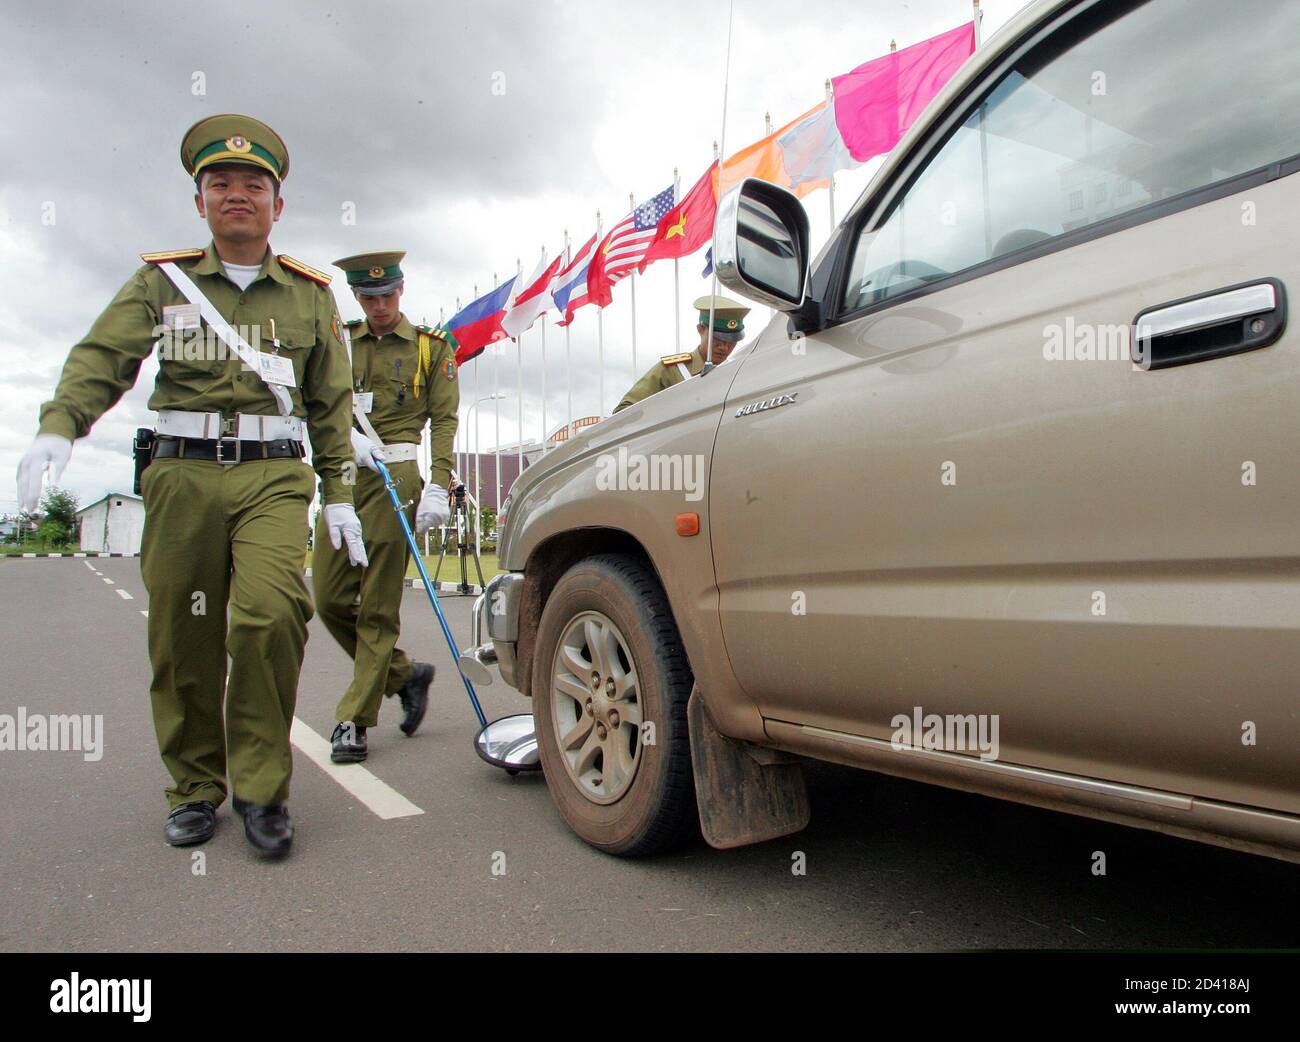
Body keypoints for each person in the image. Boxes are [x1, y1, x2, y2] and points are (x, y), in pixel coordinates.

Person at [14, 114, 365, 858]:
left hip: (272, 476)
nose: (237, 193)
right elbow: (104, 356)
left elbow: (331, 403)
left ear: (278, 203)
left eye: (254, 184)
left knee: (271, 615)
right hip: (180, 475)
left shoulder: (310, 295)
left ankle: (263, 789)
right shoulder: (161, 282)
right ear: (199, 200)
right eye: (220, 183)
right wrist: (60, 424)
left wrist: (338, 492)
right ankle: (195, 788)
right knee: (184, 636)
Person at [316, 251, 459, 764]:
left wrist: (438, 484)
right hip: (343, 471)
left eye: (388, 295)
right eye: (369, 297)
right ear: (356, 297)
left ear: (402, 290)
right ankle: (404, 674)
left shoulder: (431, 349)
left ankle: (353, 719)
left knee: (377, 603)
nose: (379, 305)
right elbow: (317, 400)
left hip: (395, 477)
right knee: (329, 597)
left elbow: (444, 421)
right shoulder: (338, 341)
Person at [613, 295, 751, 413]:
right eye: (718, 339)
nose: (724, 347)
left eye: (732, 341)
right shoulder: (672, 371)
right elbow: (623, 412)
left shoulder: (737, 374)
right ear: (701, 330)